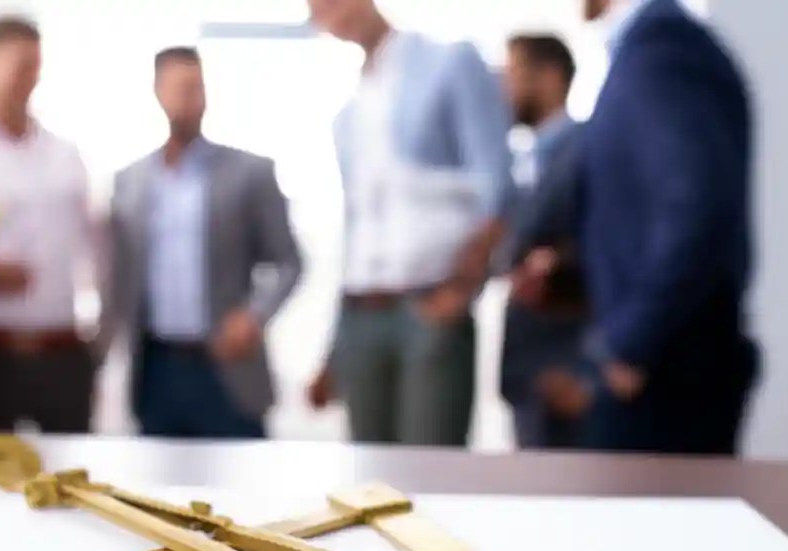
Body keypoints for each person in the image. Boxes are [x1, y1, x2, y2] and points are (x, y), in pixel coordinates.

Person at [305, 0, 511, 446]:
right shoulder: (350, 110)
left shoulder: (451, 63)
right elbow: (356, 230)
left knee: (429, 477)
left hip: (427, 306)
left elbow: (497, 187)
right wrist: (333, 349)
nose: (325, 12)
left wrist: (459, 291)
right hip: (361, 313)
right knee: (369, 476)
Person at [572, 0, 759, 454]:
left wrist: (632, 343)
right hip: (668, 358)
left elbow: (696, 204)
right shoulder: (649, 49)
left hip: (666, 368)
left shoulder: (662, 49)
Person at [105, 47, 303, 439]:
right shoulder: (129, 183)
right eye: (179, 88)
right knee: (157, 491)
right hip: (157, 369)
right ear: (157, 92)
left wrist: (253, 316)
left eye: (196, 88)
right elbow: (118, 276)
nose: (188, 99)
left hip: (227, 366)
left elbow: (289, 262)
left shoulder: (250, 174)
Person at [0, 16, 104, 434]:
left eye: (35, 66)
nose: (28, 78)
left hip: (63, 350)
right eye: (18, 66)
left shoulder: (65, 157)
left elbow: (94, 247)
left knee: (73, 476)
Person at [499, 35, 589, 450]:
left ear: (549, 77)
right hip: (527, 364)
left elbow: (608, 243)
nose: (503, 87)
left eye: (513, 73)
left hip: (565, 360)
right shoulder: (525, 158)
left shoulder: (588, 150)